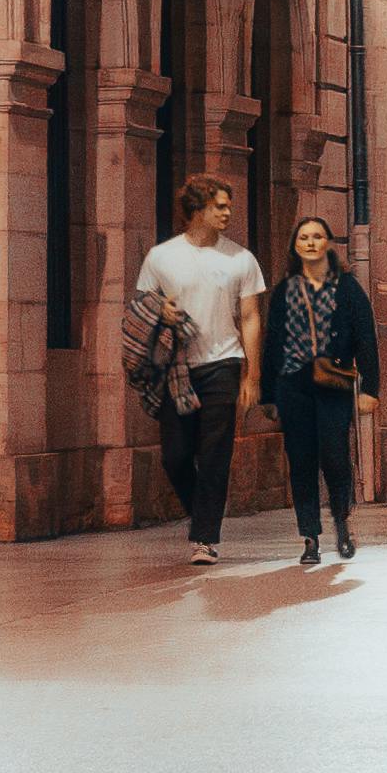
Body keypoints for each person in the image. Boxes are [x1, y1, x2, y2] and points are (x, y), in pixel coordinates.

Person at [129, 176, 264, 567]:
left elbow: (252, 317)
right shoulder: (161, 257)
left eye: (228, 205)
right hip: (179, 367)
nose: (227, 212)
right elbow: (143, 305)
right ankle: (200, 512)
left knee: (215, 453)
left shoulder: (241, 258)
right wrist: (161, 311)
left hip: (224, 363)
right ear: (197, 209)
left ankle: (204, 537)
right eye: (219, 205)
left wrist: (251, 376)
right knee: (175, 455)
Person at [262, 212, 380, 564]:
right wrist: (268, 393)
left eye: (317, 236)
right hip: (293, 385)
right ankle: (310, 536)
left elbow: (366, 340)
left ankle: (342, 519)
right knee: (301, 461)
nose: (311, 242)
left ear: (327, 243)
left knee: (334, 456)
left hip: (334, 383)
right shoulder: (284, 290)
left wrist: (370, 388)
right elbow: (273, 345)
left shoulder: (348, 288)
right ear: (295, 246)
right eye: (304, 238)